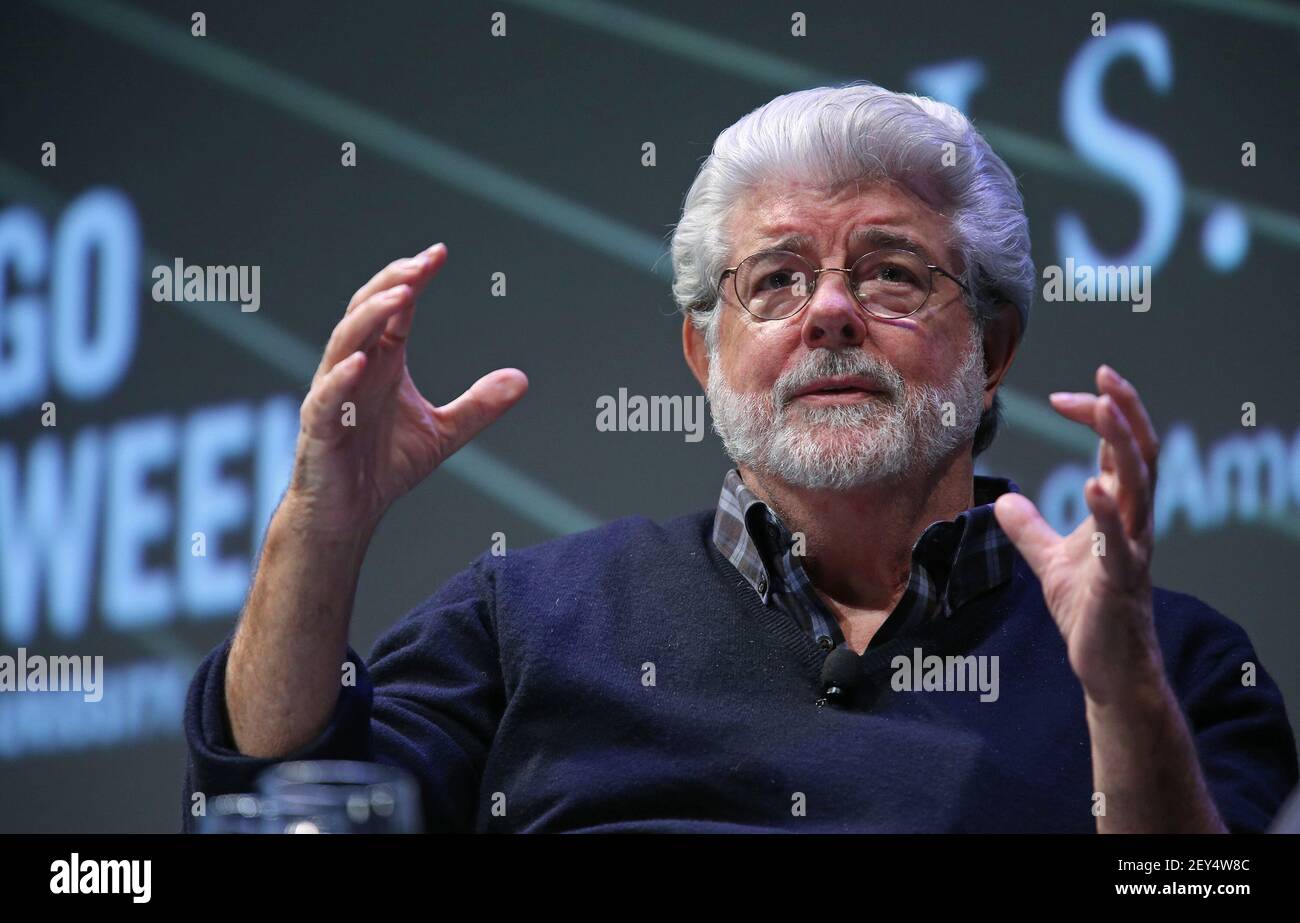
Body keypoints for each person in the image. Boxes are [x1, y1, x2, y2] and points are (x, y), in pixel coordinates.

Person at [182, 82, 1296, 833]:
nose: (829, 313)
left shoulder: (1168, 660)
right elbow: (271, 803)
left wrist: (1117, 690)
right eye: (773, 280)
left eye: (892, 272)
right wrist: (316, 527)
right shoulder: (522, 618)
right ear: (702, 352)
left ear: (991, 346)